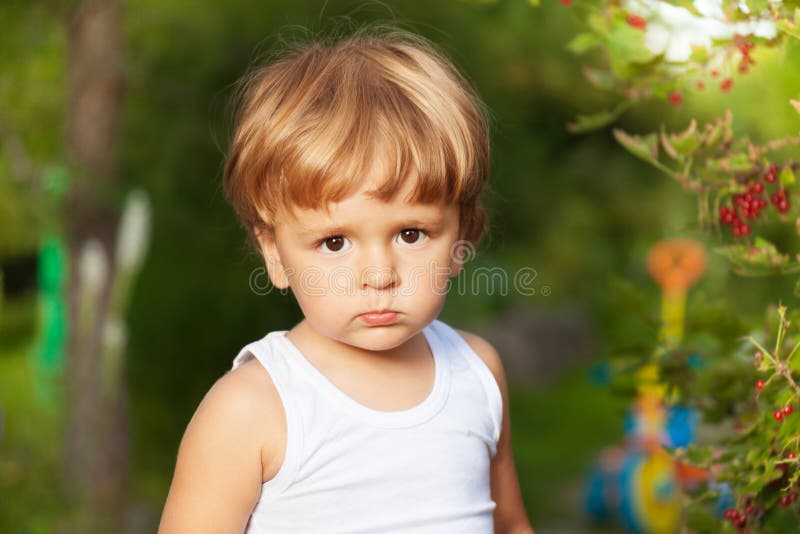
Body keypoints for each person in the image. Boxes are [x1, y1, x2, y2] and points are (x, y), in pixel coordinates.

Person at [159, 23, 534, 534]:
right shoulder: (252, 410)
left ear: (462, 234)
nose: (378, 276)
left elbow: (510, 525)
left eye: (410, 234)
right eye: (334, 242)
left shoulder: (478, 375)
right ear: (273, 251)